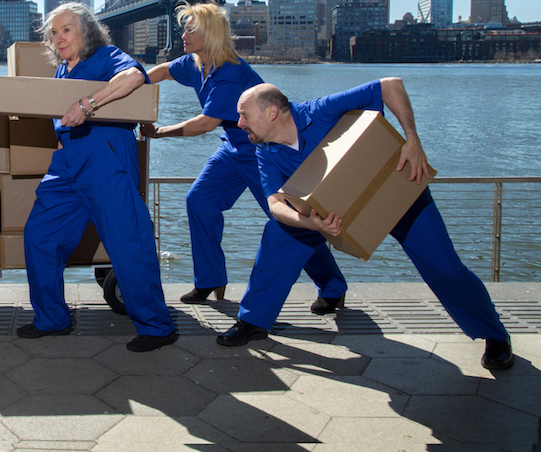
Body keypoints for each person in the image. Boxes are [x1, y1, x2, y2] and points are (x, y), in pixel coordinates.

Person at [220, 78, 514, 371]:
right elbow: (274, 204)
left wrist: (412, 139)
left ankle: (495, 335)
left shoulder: (322, 110)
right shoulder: (265, 151)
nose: (240, 121)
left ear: (271, 112)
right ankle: (253, 320)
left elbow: (390, 85)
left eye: (244, 114)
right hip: (331, 212)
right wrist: (310, 223)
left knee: (446, 268)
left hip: (396, 193)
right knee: (280, 234)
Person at [141, 2, 346, 312]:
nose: (183, 34)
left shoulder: (229, 74)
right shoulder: (195, 63)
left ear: (209, 35)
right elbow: (163, 71)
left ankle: (332, 287)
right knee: (199, 200)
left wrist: (160, 132)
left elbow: (204, 124)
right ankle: (209, 279)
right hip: (234, 146)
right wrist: (134, 86)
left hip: (264, 151)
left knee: (293, 222)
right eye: (184, 28)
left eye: (191, 29)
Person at [18, 2, 177, 353]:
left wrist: (89, 103)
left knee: (127, 242)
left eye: (67, 30)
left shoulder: (105, 56)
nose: (59, 38)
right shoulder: (62, 70)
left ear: (86, 31)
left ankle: (156, 325)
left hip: (106, 157)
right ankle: (52, 319)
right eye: (53, 33)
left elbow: (136, 76)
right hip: (67, 164)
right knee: (39, 235)